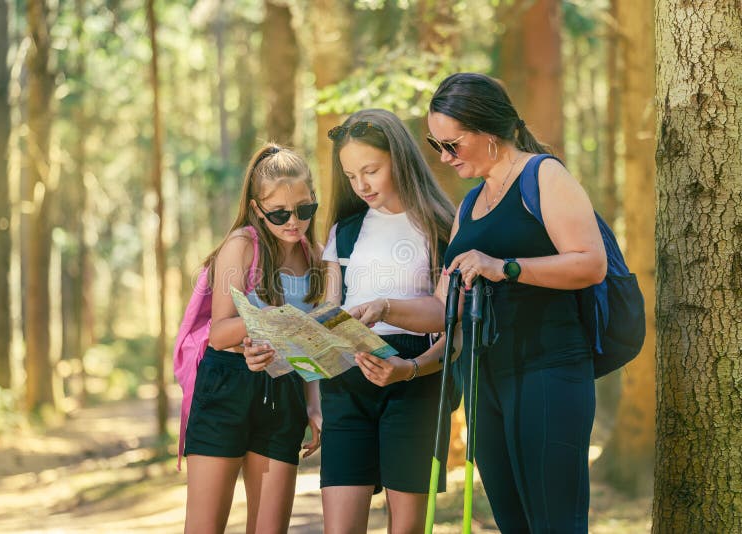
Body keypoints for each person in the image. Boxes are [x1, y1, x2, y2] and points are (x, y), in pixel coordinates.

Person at [355, 72, 607, 532]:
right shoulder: (469, 206)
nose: (445, 157)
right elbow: (443, 310)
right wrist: (385, 308)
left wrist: (505, 266)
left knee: (555, 523)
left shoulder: (543, 174)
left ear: (489, 131)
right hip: (484, 383)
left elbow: (591, 263)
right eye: (437, 146)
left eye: (453, 144)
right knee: (513, 522)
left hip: (549, 372)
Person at [319, 108, 457, 533]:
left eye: (371, 170)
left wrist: (407, 359)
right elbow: (329, 309)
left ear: (398, 157)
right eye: (350, 175)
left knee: (408, 528)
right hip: (345, 377)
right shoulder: (344, 230)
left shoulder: (441, 226)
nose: (360, 185)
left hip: (414, 380)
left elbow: (450, 321)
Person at [183, 143, 324, 534]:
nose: (293, 222)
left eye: (304, 210)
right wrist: (269, 320)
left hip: (285, 392)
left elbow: (311, 342)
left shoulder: (315, 256)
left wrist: (314, 406)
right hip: (227, 387)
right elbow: (219, 332)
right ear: (257, 207)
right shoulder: (242, 247)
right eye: (280, 213)